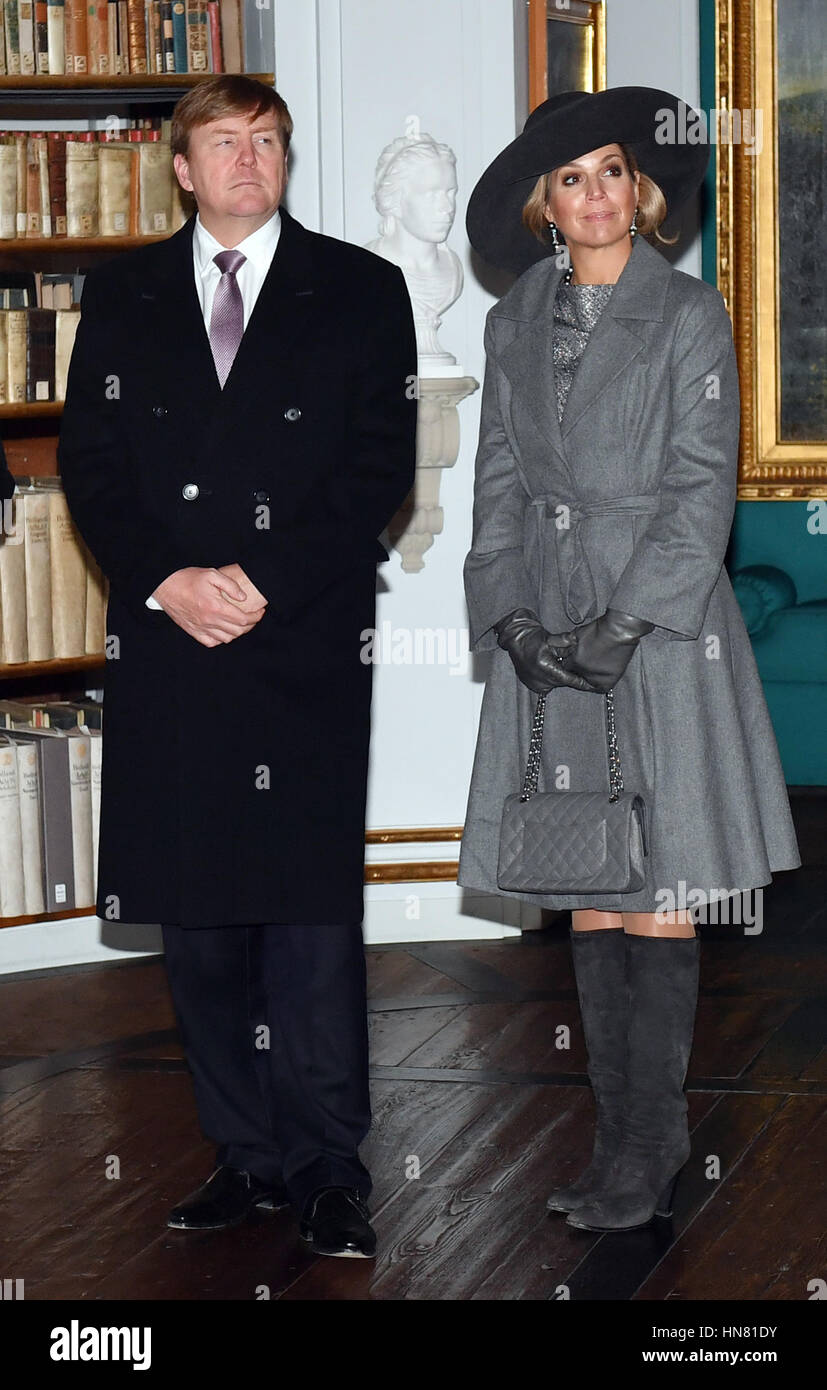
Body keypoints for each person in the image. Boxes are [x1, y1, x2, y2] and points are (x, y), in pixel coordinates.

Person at [58, 75, 417, 1259]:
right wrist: (170, 582)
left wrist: (259, 580)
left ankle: (326, 1167)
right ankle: (243, 1155)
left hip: (303, 638)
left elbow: (376, 472)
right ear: (181, 165)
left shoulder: (362, 291)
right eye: (224, 142)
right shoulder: (119, 299)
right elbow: (93, 471)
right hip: (172, 642)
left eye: (266, 140)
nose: (247, 160)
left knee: (308, 922)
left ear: (285, 158)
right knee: (200, 923)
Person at [459, 87, 801, 1231]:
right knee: (588, 894)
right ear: (542, 206)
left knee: (658, 895)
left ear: (639, 191)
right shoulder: (510, 326)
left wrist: (620, 626)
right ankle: (616, 1147)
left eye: (610, 171)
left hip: (658, 640)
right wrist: (507, 621)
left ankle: (651, 1154)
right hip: (547, 640)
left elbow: (702, 489)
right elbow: (496, 489)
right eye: (571, 178)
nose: (594, 193)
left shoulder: (689, 314)